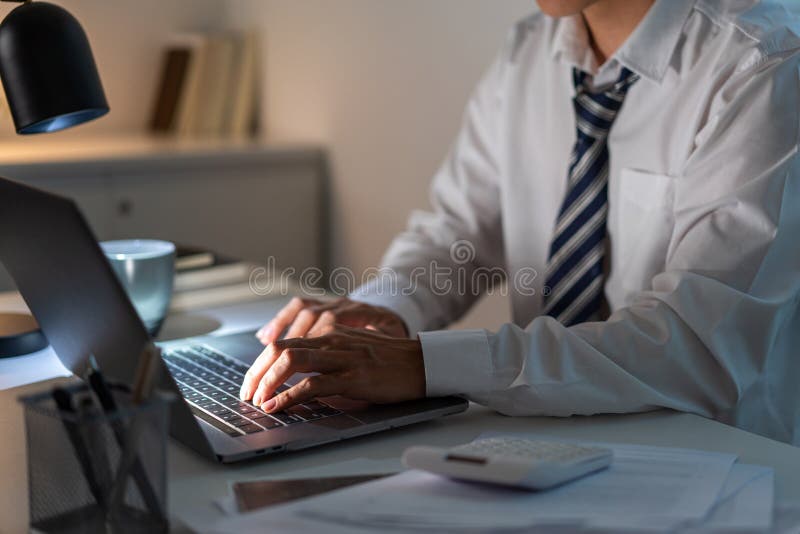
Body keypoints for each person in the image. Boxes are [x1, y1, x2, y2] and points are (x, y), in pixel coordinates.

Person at [239, 0, 800, 444]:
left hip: (718, 461)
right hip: (542, 447)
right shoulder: (529, 50)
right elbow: (456, 235)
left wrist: (427, 364)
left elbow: (693, 345)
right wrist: (384, 312)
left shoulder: (767, 61)